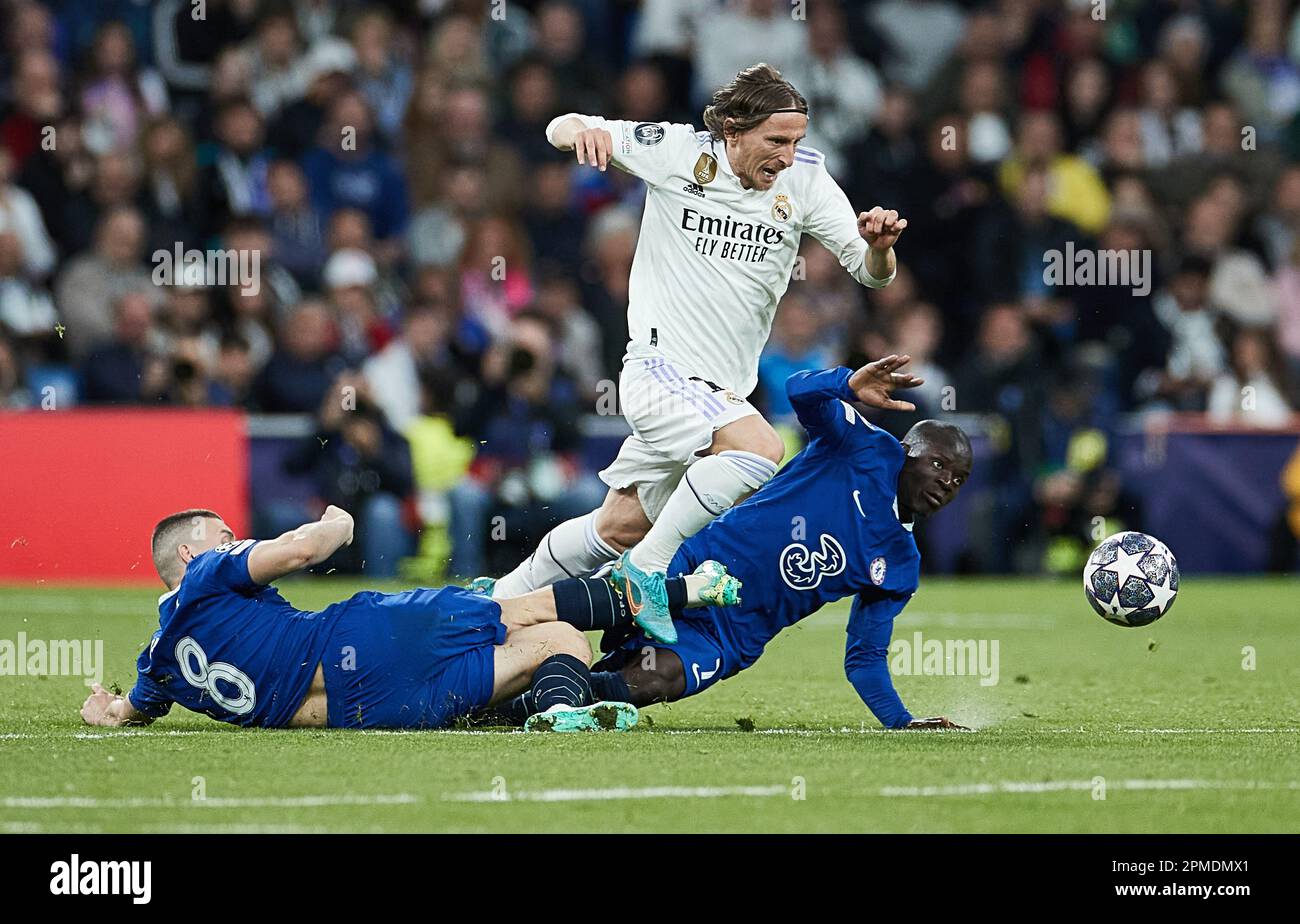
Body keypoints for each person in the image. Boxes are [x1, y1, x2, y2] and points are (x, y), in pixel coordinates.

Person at [485, 62, 908, 647]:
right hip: (659, 370)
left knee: (618, 525)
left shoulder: (805, 179)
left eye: (796, 142)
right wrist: (581, 130)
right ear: (733, 130)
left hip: (719, 393)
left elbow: (870, 274)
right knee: (761, 448)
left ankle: (495, 603)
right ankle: (646, 574)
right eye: (776, 141)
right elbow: (563, 125)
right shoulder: (680, 152)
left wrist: (879, 246)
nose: (787, 156)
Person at [492, 355, 974, 731]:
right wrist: (847, 383)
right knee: (578, 608)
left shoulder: (901, 563)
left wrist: (901, 720)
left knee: (649, 681)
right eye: (938, 465)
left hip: (730, 635)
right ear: (908, 451)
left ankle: (512, 705)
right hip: (697, 561)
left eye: (958, 480)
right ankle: (481, 619)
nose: (946, 483)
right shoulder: (863, 445)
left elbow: (864, 657)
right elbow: (799, 391)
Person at [78, 506, 739, 735]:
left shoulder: (158, 662)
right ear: (191, 553)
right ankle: (688, 589)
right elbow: (306, 548)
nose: (233, 538)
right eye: (221, 534)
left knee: (557, 642)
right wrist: (337, 520)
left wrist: (100, 709)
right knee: (527, 608)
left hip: (364, 713)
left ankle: (558, 713)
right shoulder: (206, 571)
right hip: (356, 639)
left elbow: (123, 714)